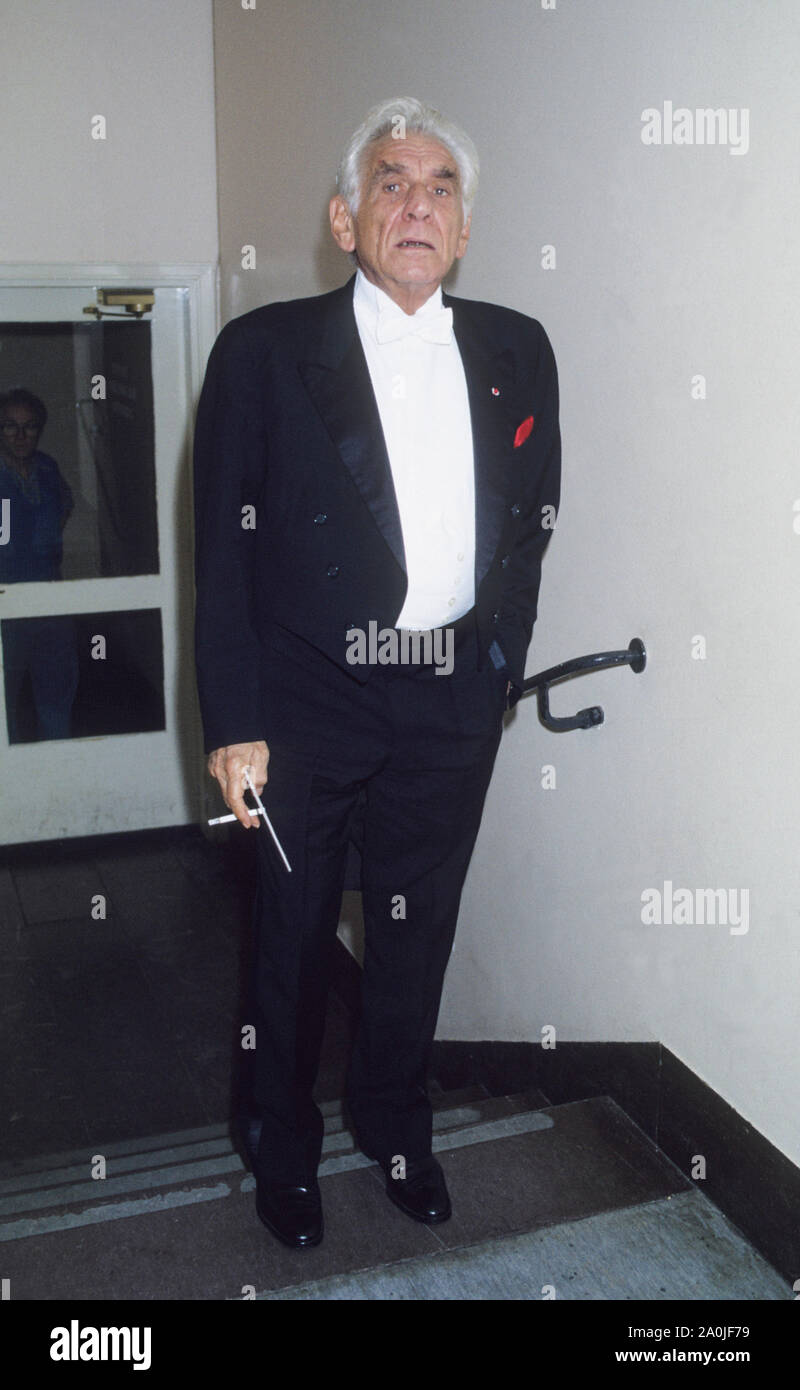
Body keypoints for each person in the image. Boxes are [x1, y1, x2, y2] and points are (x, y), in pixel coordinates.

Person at [193, 96, 561, 1249]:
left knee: (416, 923)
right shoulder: (262, 352)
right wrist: (235, 718)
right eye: (392, 183)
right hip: (306, 696)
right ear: (344, 220)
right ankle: (279, 1143)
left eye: (439, 186)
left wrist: (494, 664)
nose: (417, 201)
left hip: (449, 692)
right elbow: (222, 552)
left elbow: (529, 525)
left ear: (462, 230)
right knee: (293, 930)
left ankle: (396, 1125)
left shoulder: (517, 346)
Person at [0, 388, 78, 741]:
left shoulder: (47, 467)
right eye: (9, 426)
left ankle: (59, 776)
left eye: (29, 427)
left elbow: (64, 503)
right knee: (6, 702)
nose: (20, 436)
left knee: (56, 694)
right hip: (7, 602)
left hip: (50, 599)